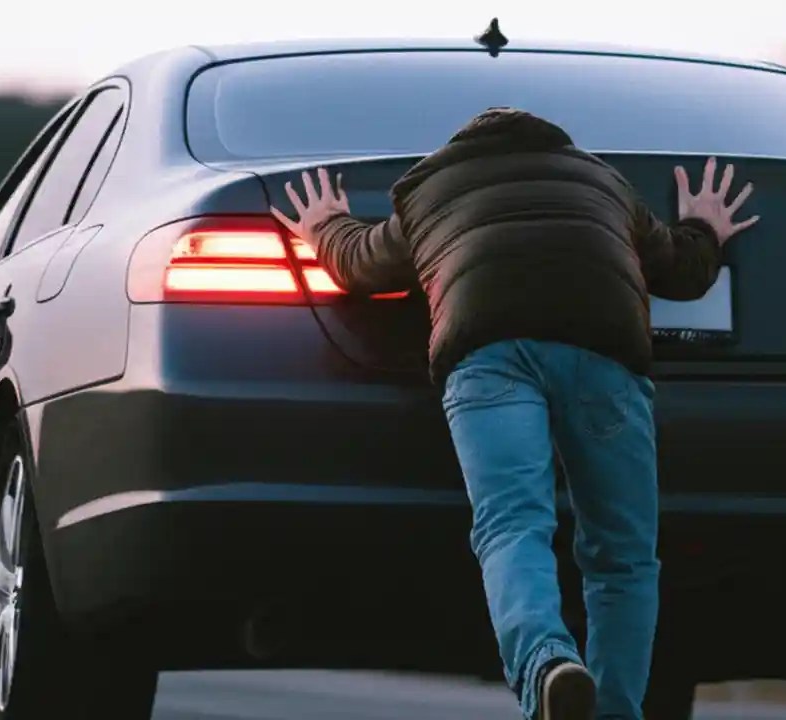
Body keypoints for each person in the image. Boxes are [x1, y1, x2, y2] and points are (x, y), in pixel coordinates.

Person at [270, 108, 758, 720]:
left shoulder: (429, 189)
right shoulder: (603, 181)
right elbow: (682, 274)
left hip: (487, 355)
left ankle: (547, 664)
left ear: (462, 150)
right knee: (623, 554)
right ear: (554, 145)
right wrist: (704, 227)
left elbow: (360, 264)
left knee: (512, 526)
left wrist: (325, 224)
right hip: (602, 352)